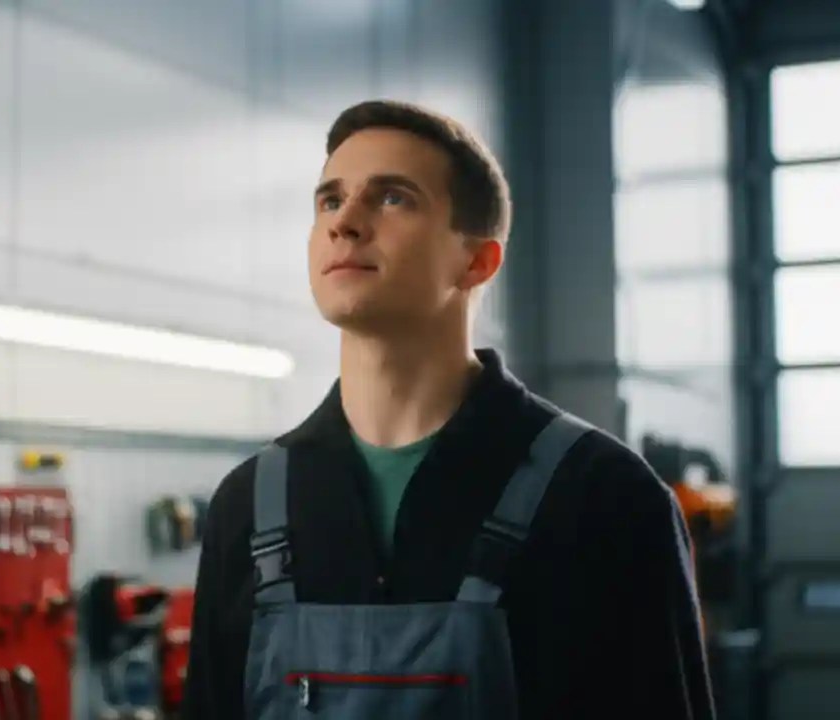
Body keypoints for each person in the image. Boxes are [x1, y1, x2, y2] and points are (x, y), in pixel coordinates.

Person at [182, 100, 715, 719]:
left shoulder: (608, 498)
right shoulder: (247, 506)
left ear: (477, 261)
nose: (344, 223)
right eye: (330, 200)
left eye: (392, 198)